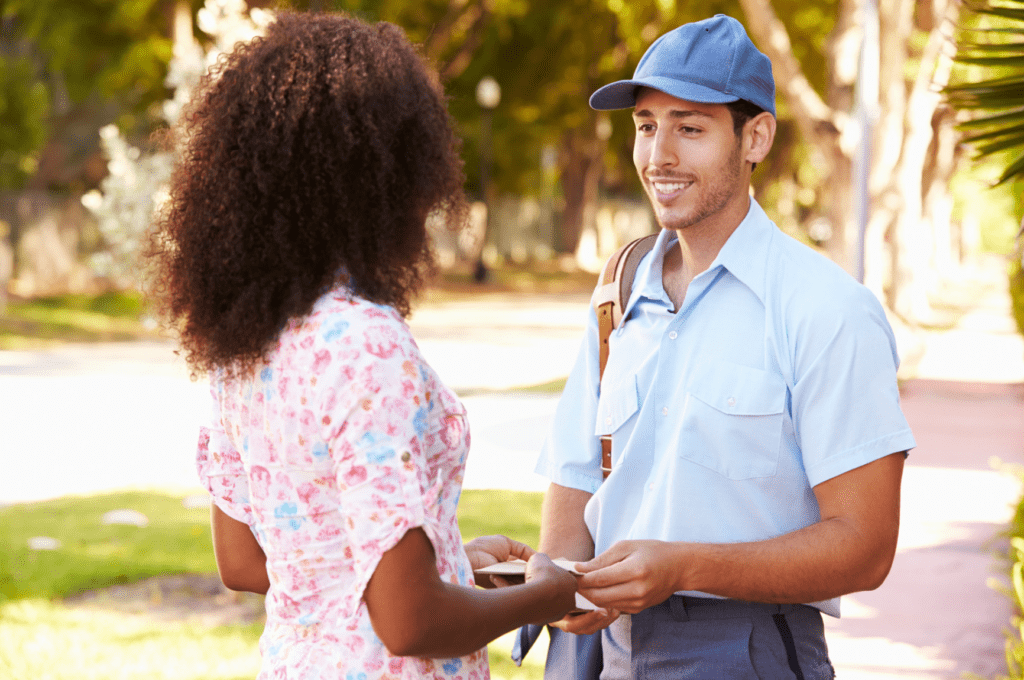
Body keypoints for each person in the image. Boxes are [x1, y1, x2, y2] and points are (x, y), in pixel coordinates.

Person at [145, 11, 579, 680]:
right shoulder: (364, 345)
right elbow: (409, 624)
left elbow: (257, 562)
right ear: (383, 171)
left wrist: (451, 559)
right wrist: (546, 595)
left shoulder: (247, 342)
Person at [528, 14, 916, 679]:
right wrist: (558, 581)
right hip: (608, 654)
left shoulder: (827, 311)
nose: (659, 157)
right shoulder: (616, 296)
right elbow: (575, 481)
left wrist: (683, 566)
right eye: (646, 127)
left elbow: (865, 547)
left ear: (755, 136)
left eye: (690, 127)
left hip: (747, 652)